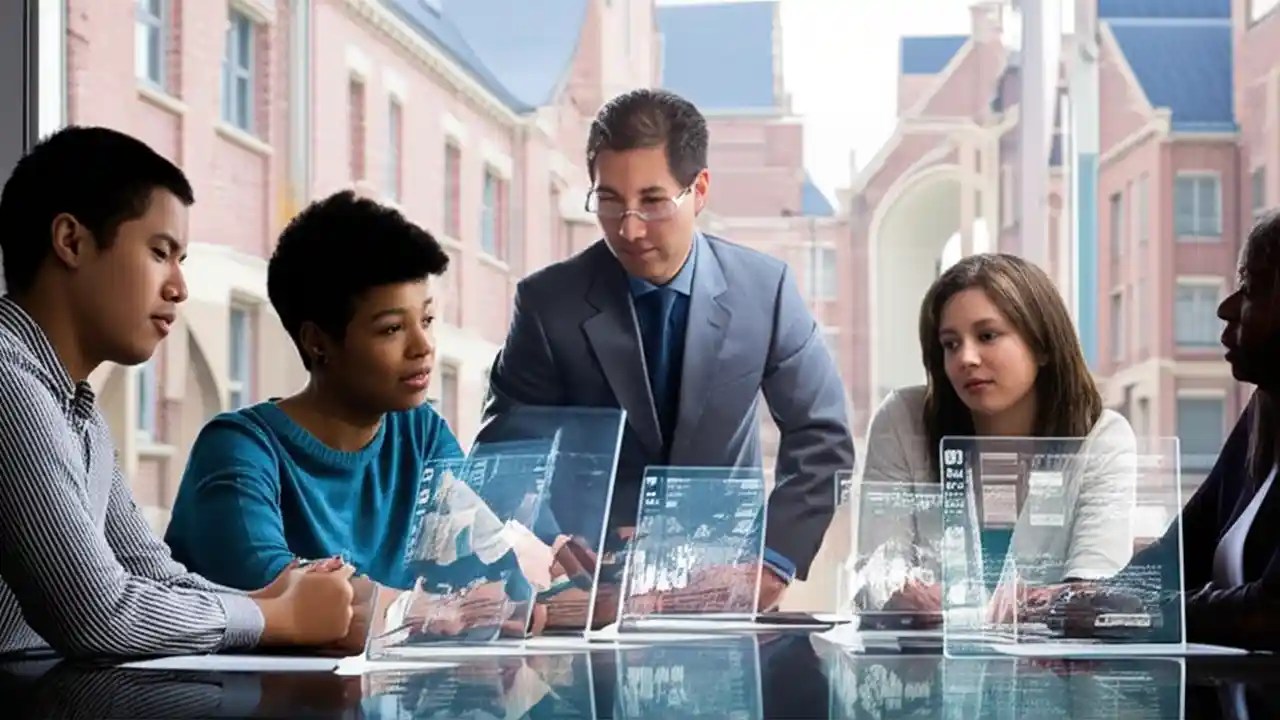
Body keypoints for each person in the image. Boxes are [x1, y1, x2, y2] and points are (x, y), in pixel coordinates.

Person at [482, 88, 855, 609]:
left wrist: (774, 560)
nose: (629, 229)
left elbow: (821, 435)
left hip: (724, 584)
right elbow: (505, 455)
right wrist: (552, 542)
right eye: (609, 201)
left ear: (699, 189)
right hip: (593, 593)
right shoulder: (549, 304)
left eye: (653, 202)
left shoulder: (763, 291)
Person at [0, 126, 358, 658]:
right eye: (160, 252)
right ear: (71, 242)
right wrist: (277, 616)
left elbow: (153, 575)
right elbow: (101, 616)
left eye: (181, 261)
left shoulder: (78, 413)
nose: (179, 288)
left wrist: (273, 598)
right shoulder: (9, 381)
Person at [165, 191, 544, 636]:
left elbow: (496, 573)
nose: (422, 347)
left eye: (426, 320)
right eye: (392, 329)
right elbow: (292, 599)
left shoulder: (421, 434)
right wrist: (443, 611)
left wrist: (528, 593)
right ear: (317, 341)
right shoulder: (239, 450)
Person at [860, 253, 1137, 616]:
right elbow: (877, 577)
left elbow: (1091, 597)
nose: (966, 358)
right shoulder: (902, 420)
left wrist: (969, 615)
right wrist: (897, 591)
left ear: (1041, 345)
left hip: (1053, 669)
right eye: (950, 344)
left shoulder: (1104, 438)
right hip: (926, 664)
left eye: (987, 336)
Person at [1121, 211, 1280, 651]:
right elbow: (1174, 555)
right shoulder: (1263, 415)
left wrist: (1132, 613)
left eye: (1249, 288)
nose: (1225, 308)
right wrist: (1078, 599)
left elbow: (1270, 612)